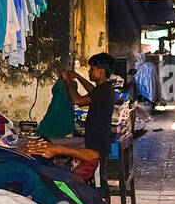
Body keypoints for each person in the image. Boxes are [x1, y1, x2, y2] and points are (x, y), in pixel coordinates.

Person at [25, 53, 117, 184]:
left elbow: (77, 100)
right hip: (97, 141)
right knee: (94, 178)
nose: (89, 72)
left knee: (97, 181)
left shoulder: (103, 92)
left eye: (92, 69)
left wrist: (68, 81)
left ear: (101, 71)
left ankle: (99, 199)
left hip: (98, 146)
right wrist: (78, 77)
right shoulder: (104, 88)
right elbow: (92, 90)